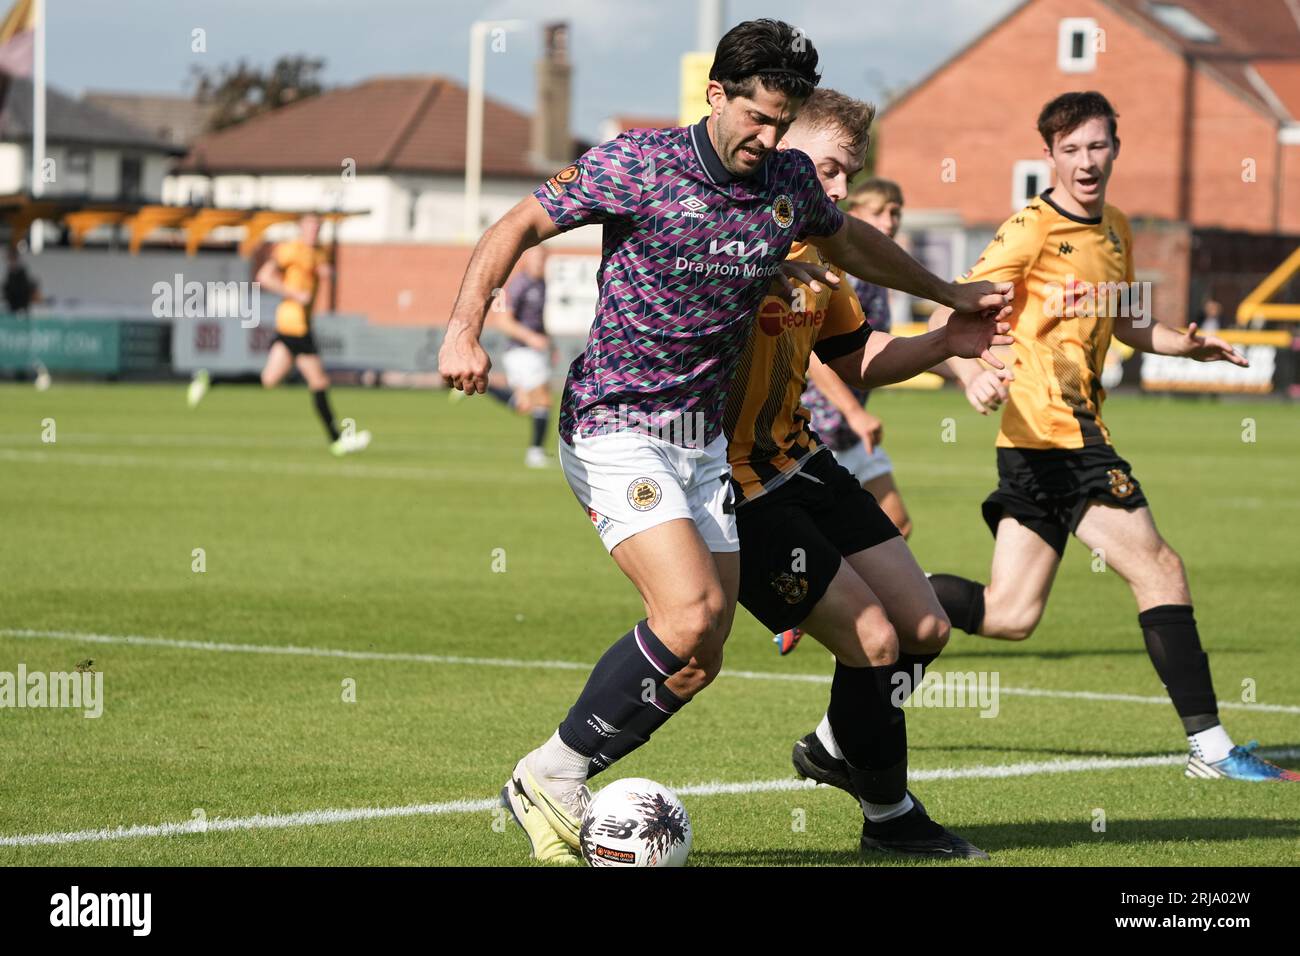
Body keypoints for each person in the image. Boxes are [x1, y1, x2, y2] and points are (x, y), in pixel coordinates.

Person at [439, 18, 1012, 864]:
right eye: (758, 117)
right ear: (717, 95)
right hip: (617, 425)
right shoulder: (637, 164)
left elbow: (850, 239)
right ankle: (549, 776)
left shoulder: (785, 181)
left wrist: (945, 291)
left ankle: (572, 773)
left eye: (783, 124)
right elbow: (516, 226)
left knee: (701, 655)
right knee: (690, 611)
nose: (769, 138)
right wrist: (463, 328)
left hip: (704, 447)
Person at [585, 88, 1009, 858]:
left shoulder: (821, 254)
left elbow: (858, 356)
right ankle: (890, 819)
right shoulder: (737, 235)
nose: (839, 191)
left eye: (849, 175)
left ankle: (833, 745)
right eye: (830, 170)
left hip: (802, 458)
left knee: (924, 628)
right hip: (731, 480)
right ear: (781, 151)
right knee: (874, 641)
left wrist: (948, 342)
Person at [926, 91, 1297, 783]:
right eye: (1070, 149)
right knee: (1159, 567)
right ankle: (1212, 751)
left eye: (1096, 146)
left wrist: (1187, 347)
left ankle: (888, 593)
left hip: (1046, 442)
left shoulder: (1117, 228)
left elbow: (1126, 324)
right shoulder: (1031, 228)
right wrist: (966, 369)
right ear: (1049, 156)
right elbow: (953, 305)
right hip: (1058, 435)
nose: (1085, 161)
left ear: (1115, 149)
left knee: (1009, 614)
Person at [189, 215, 371, 457]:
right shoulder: (290, 250)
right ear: (301, 229)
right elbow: (264, 276)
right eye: (310, 227)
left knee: (269, 380)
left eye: (317, 228)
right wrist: (293, 294)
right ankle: (337, 441)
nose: (314, 232)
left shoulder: (319, 253)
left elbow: (318, 272)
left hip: (300, 325)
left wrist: (325, 272)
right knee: (319, 382)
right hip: (293, 324)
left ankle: (210, 380)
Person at [454, 246, 555, 468]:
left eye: (543, 258)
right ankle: (535, 453)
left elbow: (539, 320)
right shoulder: (519, 284)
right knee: (543, 400)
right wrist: (530, 338)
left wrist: (551, 343)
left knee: (525, 404)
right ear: (526, 259)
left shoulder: (542, 283)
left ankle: (481, 385)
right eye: (536, 258)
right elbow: (503, 321)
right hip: (520, 351)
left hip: (534, 351)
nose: (540, 263)